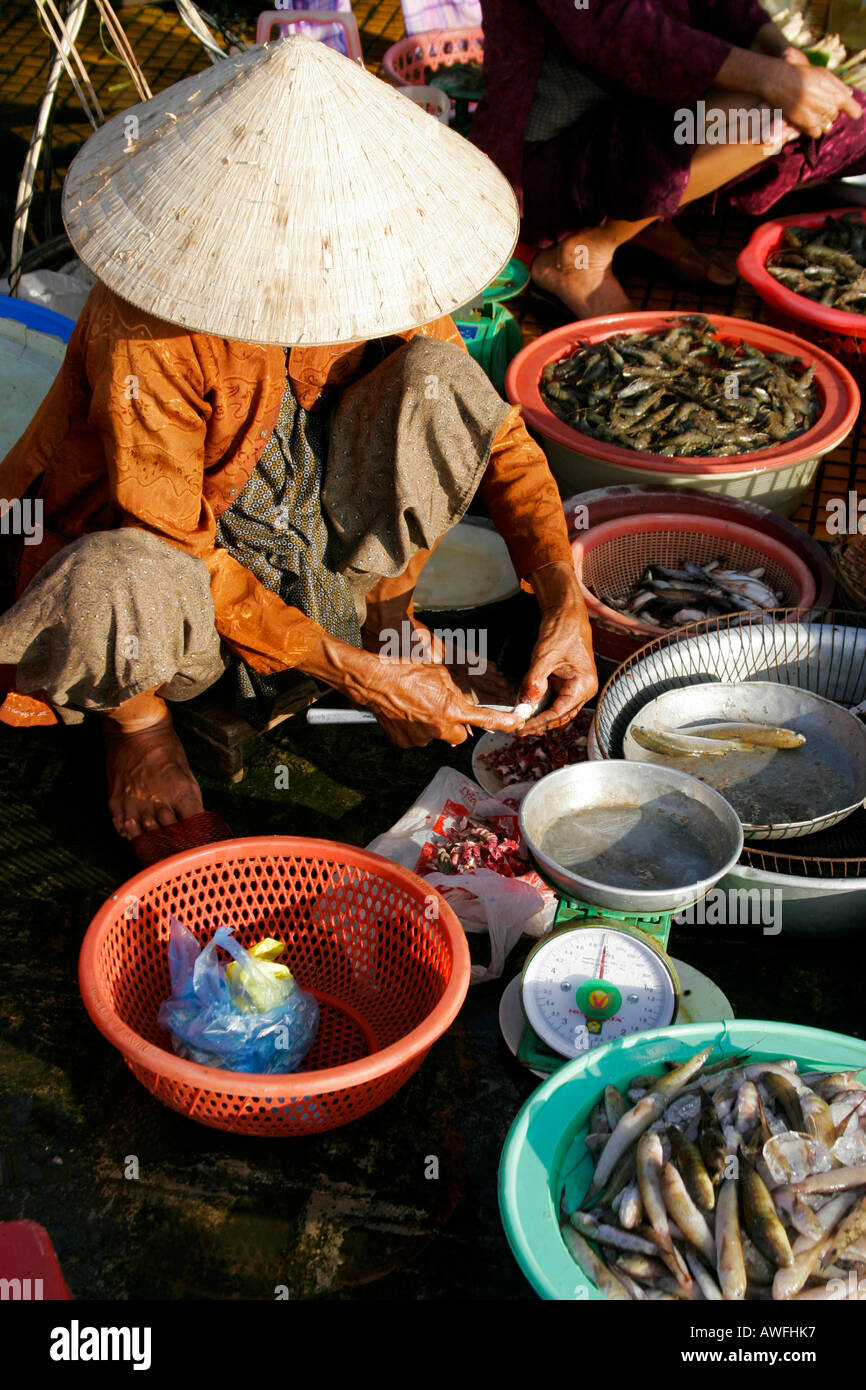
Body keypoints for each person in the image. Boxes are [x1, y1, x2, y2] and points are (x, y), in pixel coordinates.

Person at [0, 38, 597, 843]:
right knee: (117, 579)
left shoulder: (373, 266)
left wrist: (562, 596)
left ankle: (386, 622)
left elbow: (499, 440)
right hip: (181, 576)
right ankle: (138, 727)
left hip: (310, 520)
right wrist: (357, 677)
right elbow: (176, 544)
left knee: (440, 382)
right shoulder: (145, 328)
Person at [471, 0, 866, 318]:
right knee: (767, 113)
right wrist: (773, 79)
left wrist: (782, 51)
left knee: (847, 123)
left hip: (635, 127)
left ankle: (637, 223)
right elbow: (617, 32)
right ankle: (581, 256)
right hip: (540, 166)